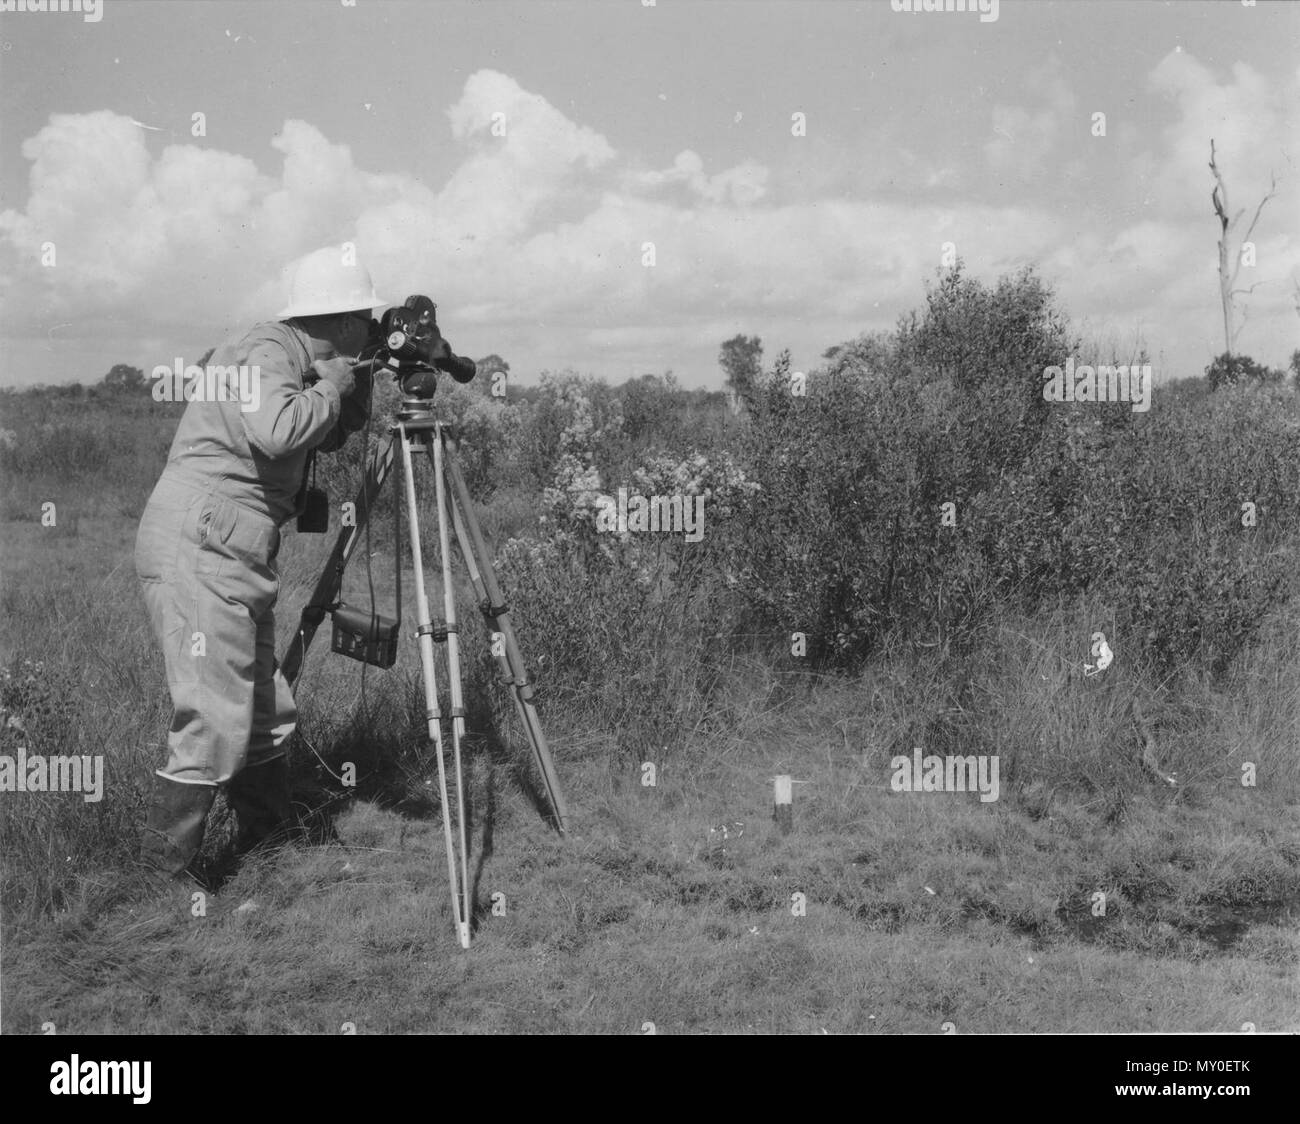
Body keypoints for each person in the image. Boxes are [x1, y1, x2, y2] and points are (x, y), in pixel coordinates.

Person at [133, 244, 381, 892]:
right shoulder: (266, 352)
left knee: (263, 707)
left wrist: (361, 380)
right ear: (345, 322)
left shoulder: (293, 359)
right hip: (202, 544)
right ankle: (168, 882)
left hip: (228, 545)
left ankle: (268, 842)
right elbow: (277, 430)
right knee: (214, 715)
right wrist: (334, 382)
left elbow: (325, 432)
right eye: (364, 324)